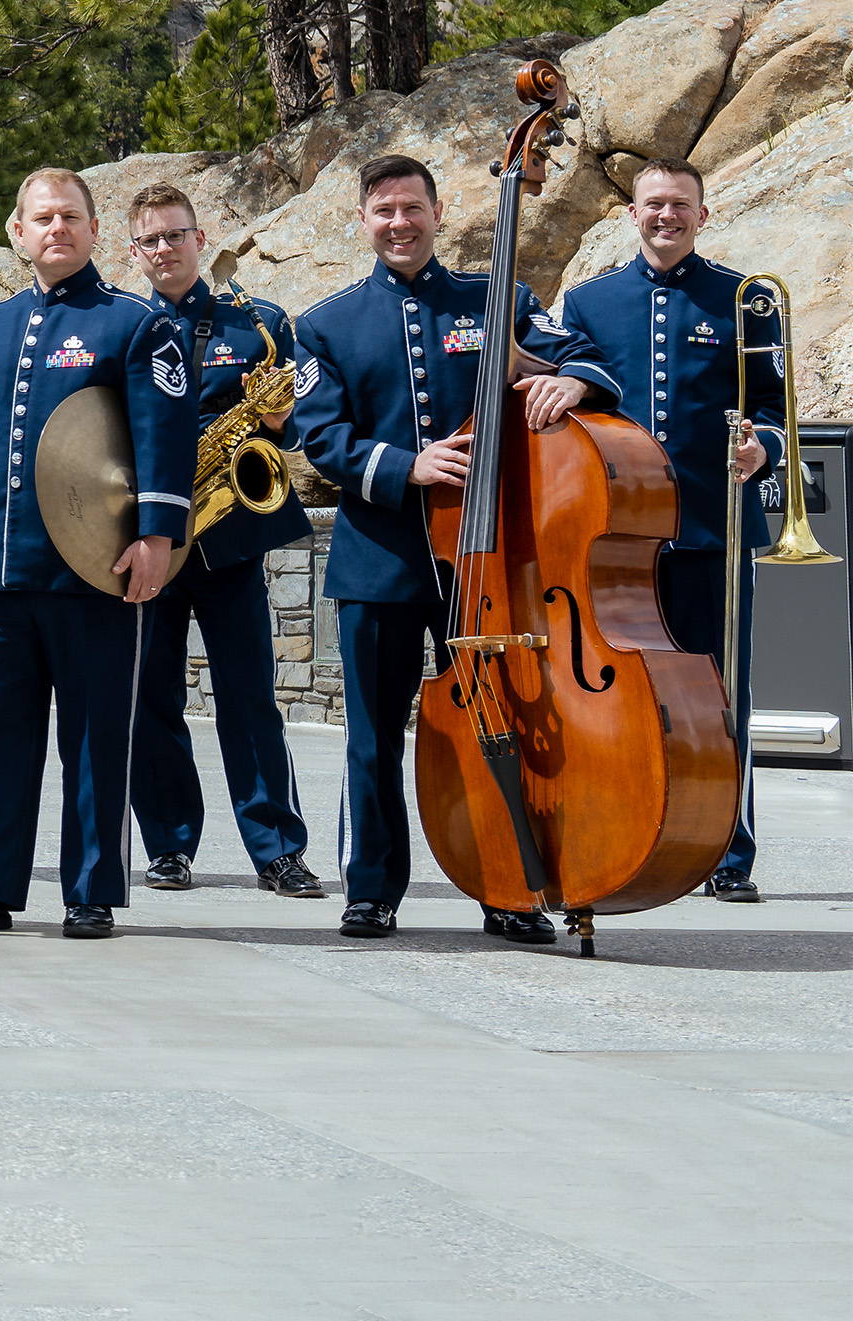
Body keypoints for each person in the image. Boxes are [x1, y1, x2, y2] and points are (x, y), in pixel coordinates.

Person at [293, 151, 622, 943]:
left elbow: (585, 358)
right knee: (372, 736)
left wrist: (572, 382)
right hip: (382, 557)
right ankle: (371, 890)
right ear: (364, 221)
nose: (400, 223)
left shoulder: (499, 298)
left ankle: (506, 891)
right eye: (384, 211)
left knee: (501, 719)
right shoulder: (325, 323)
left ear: (439, 215)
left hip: (495, 564)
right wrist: (411, 466)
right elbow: (323, 440)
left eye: (413, 208)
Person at [0, 167, 191, 943]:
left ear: (94, 231)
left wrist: (158, 535)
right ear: (18, 234)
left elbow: (164, 436)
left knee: (97, 738)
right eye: (42, 218)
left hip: (97, 572)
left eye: (71, 216)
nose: (57, 228)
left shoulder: (136, 323)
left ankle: (91, 890)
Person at [552, 157, 782, 901]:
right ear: (632, 214)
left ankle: (728, 851)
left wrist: (764, 448)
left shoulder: (746, 302)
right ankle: (625, 831)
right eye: (654, 204)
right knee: (621, 697)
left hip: (714, 532)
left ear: (703, 215)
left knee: (718, 698)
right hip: (615, 540)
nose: (666, 216)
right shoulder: (588, 304)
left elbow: (778, 407)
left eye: (681, 204)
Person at [117, 186, 319, 897]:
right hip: (149, 544)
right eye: (151, 240)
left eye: (177, 235)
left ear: (201, 239)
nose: (166, 249)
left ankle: (278, 850)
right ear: (132, 252)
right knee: (151, 700)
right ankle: (168, 844)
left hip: (230, 537)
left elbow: (286, 428)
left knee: (249, 699)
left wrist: (278, 416)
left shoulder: (257, 322)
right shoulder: (122, 326)